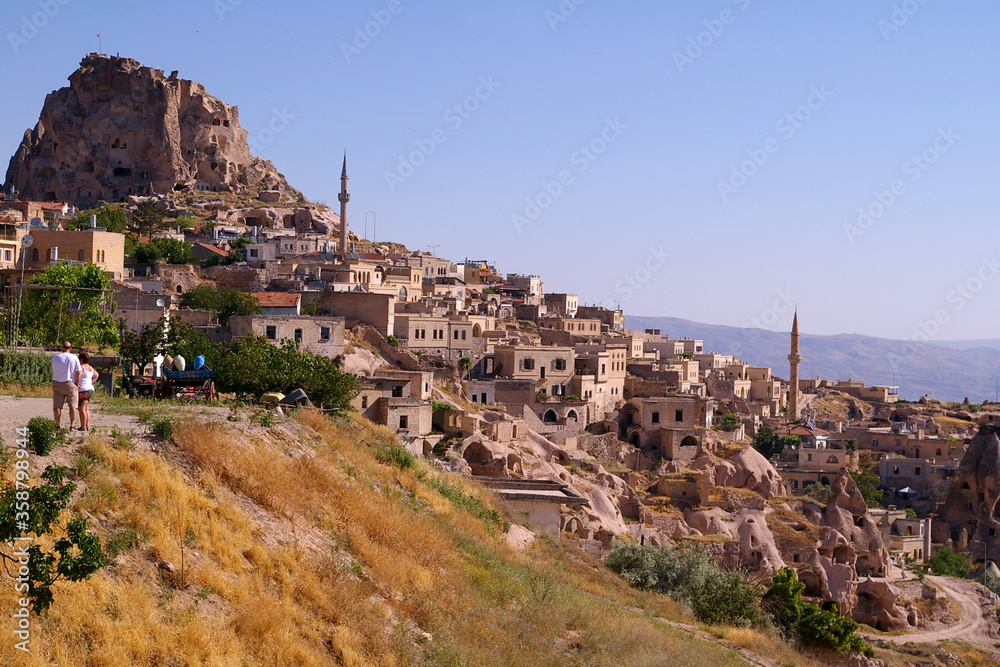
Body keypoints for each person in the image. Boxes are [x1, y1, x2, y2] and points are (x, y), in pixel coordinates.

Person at [51, 341, 82, 430]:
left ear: (62, 348)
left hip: (57, 382)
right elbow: (78, 372)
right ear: (70, 348)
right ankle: (72, 425)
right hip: (70, 383)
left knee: (57, 406)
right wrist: (77, 383)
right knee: (72, 405)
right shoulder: (74, 358)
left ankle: (57, 425)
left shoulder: (55, 358)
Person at [77, 352, 98, 432]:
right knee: (86, 409)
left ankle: (83, 426)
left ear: (81, 359)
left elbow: (79, 374)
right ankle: (87, 425)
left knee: (81, 409)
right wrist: (91, 382)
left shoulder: (82, 367)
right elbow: (96, 375)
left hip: (83, 390)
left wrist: (78, 383)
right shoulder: (90, 367)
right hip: (90, 389)